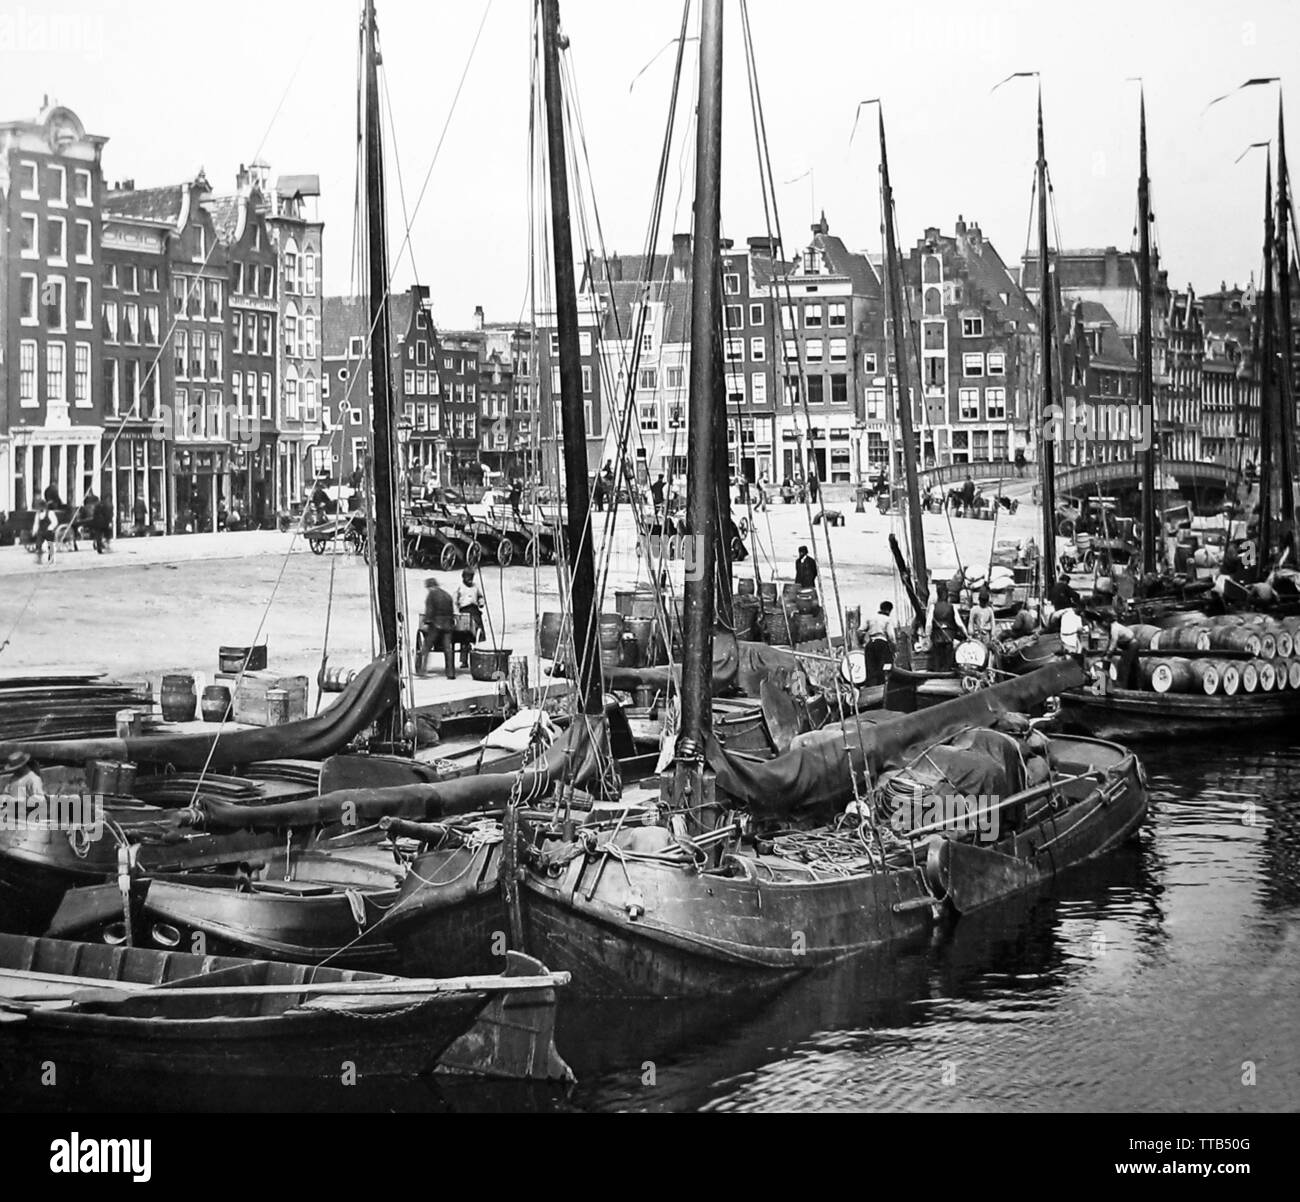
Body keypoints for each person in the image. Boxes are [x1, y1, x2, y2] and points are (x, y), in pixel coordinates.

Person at [416, 577, 459, 679]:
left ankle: (422, 670)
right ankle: (450, 673)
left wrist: (427, 621)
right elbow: (451, 611)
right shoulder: (447, 595)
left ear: (430, 586)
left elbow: (430, 610)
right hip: (448, 625)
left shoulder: (432, 595)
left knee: (426, 647)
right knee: (448, 649)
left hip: (436, 624)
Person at [926, 580, 967, 672]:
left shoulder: (933, 607)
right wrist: (966, 633)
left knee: (937, 655)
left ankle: (937, 673)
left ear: (938, 595)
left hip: (937, 635)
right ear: (947, 595)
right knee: (948, 656)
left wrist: (927, 635)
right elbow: (959, 623)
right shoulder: (952, 607)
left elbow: (928, 623)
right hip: (949, 635)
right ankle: (947, 672)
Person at [455, 568, 486, 669]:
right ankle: (464, 661)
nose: (470, 580)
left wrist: (481, 602)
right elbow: (455, 601)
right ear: (463, 577)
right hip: (464, 611)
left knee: (480, 634)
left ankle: (481, 658)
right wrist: (456, 612)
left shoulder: (476, 587)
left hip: (475, 611)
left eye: (471, 577)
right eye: (468, 577)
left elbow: (481, 597)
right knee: (464, 637)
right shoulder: (459, 587)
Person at [860, 601, 897, 685]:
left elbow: (860, 631)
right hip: (882, 643)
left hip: (870, 644)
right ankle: (883, 686)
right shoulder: (888, 619)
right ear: (889, 611)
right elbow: (891, 636)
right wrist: (894, 649)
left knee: (870, 667)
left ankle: (871, 687)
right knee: (884, 666)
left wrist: (862, 643)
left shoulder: (870, 617)